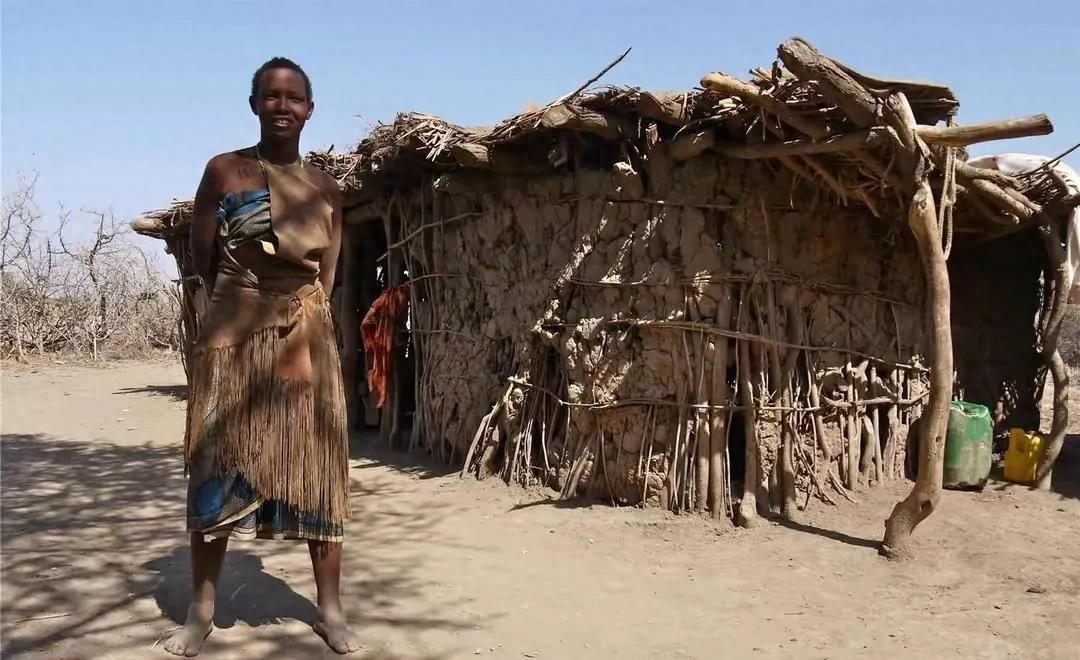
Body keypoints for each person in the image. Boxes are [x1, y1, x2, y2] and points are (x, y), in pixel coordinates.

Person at [163, 57, 361, 656]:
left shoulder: (327, 189)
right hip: (232, 337)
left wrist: (293, 316)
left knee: (317, 465)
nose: (282, 105)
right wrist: (247, 305)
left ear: (309, 108)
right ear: (254, 104)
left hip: (304, 340)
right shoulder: (224, 172)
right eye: (271, 96)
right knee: (217, 459)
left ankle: (329, 609)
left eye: (293, 97)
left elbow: (326, 277)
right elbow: (201, 254)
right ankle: (200, 611)